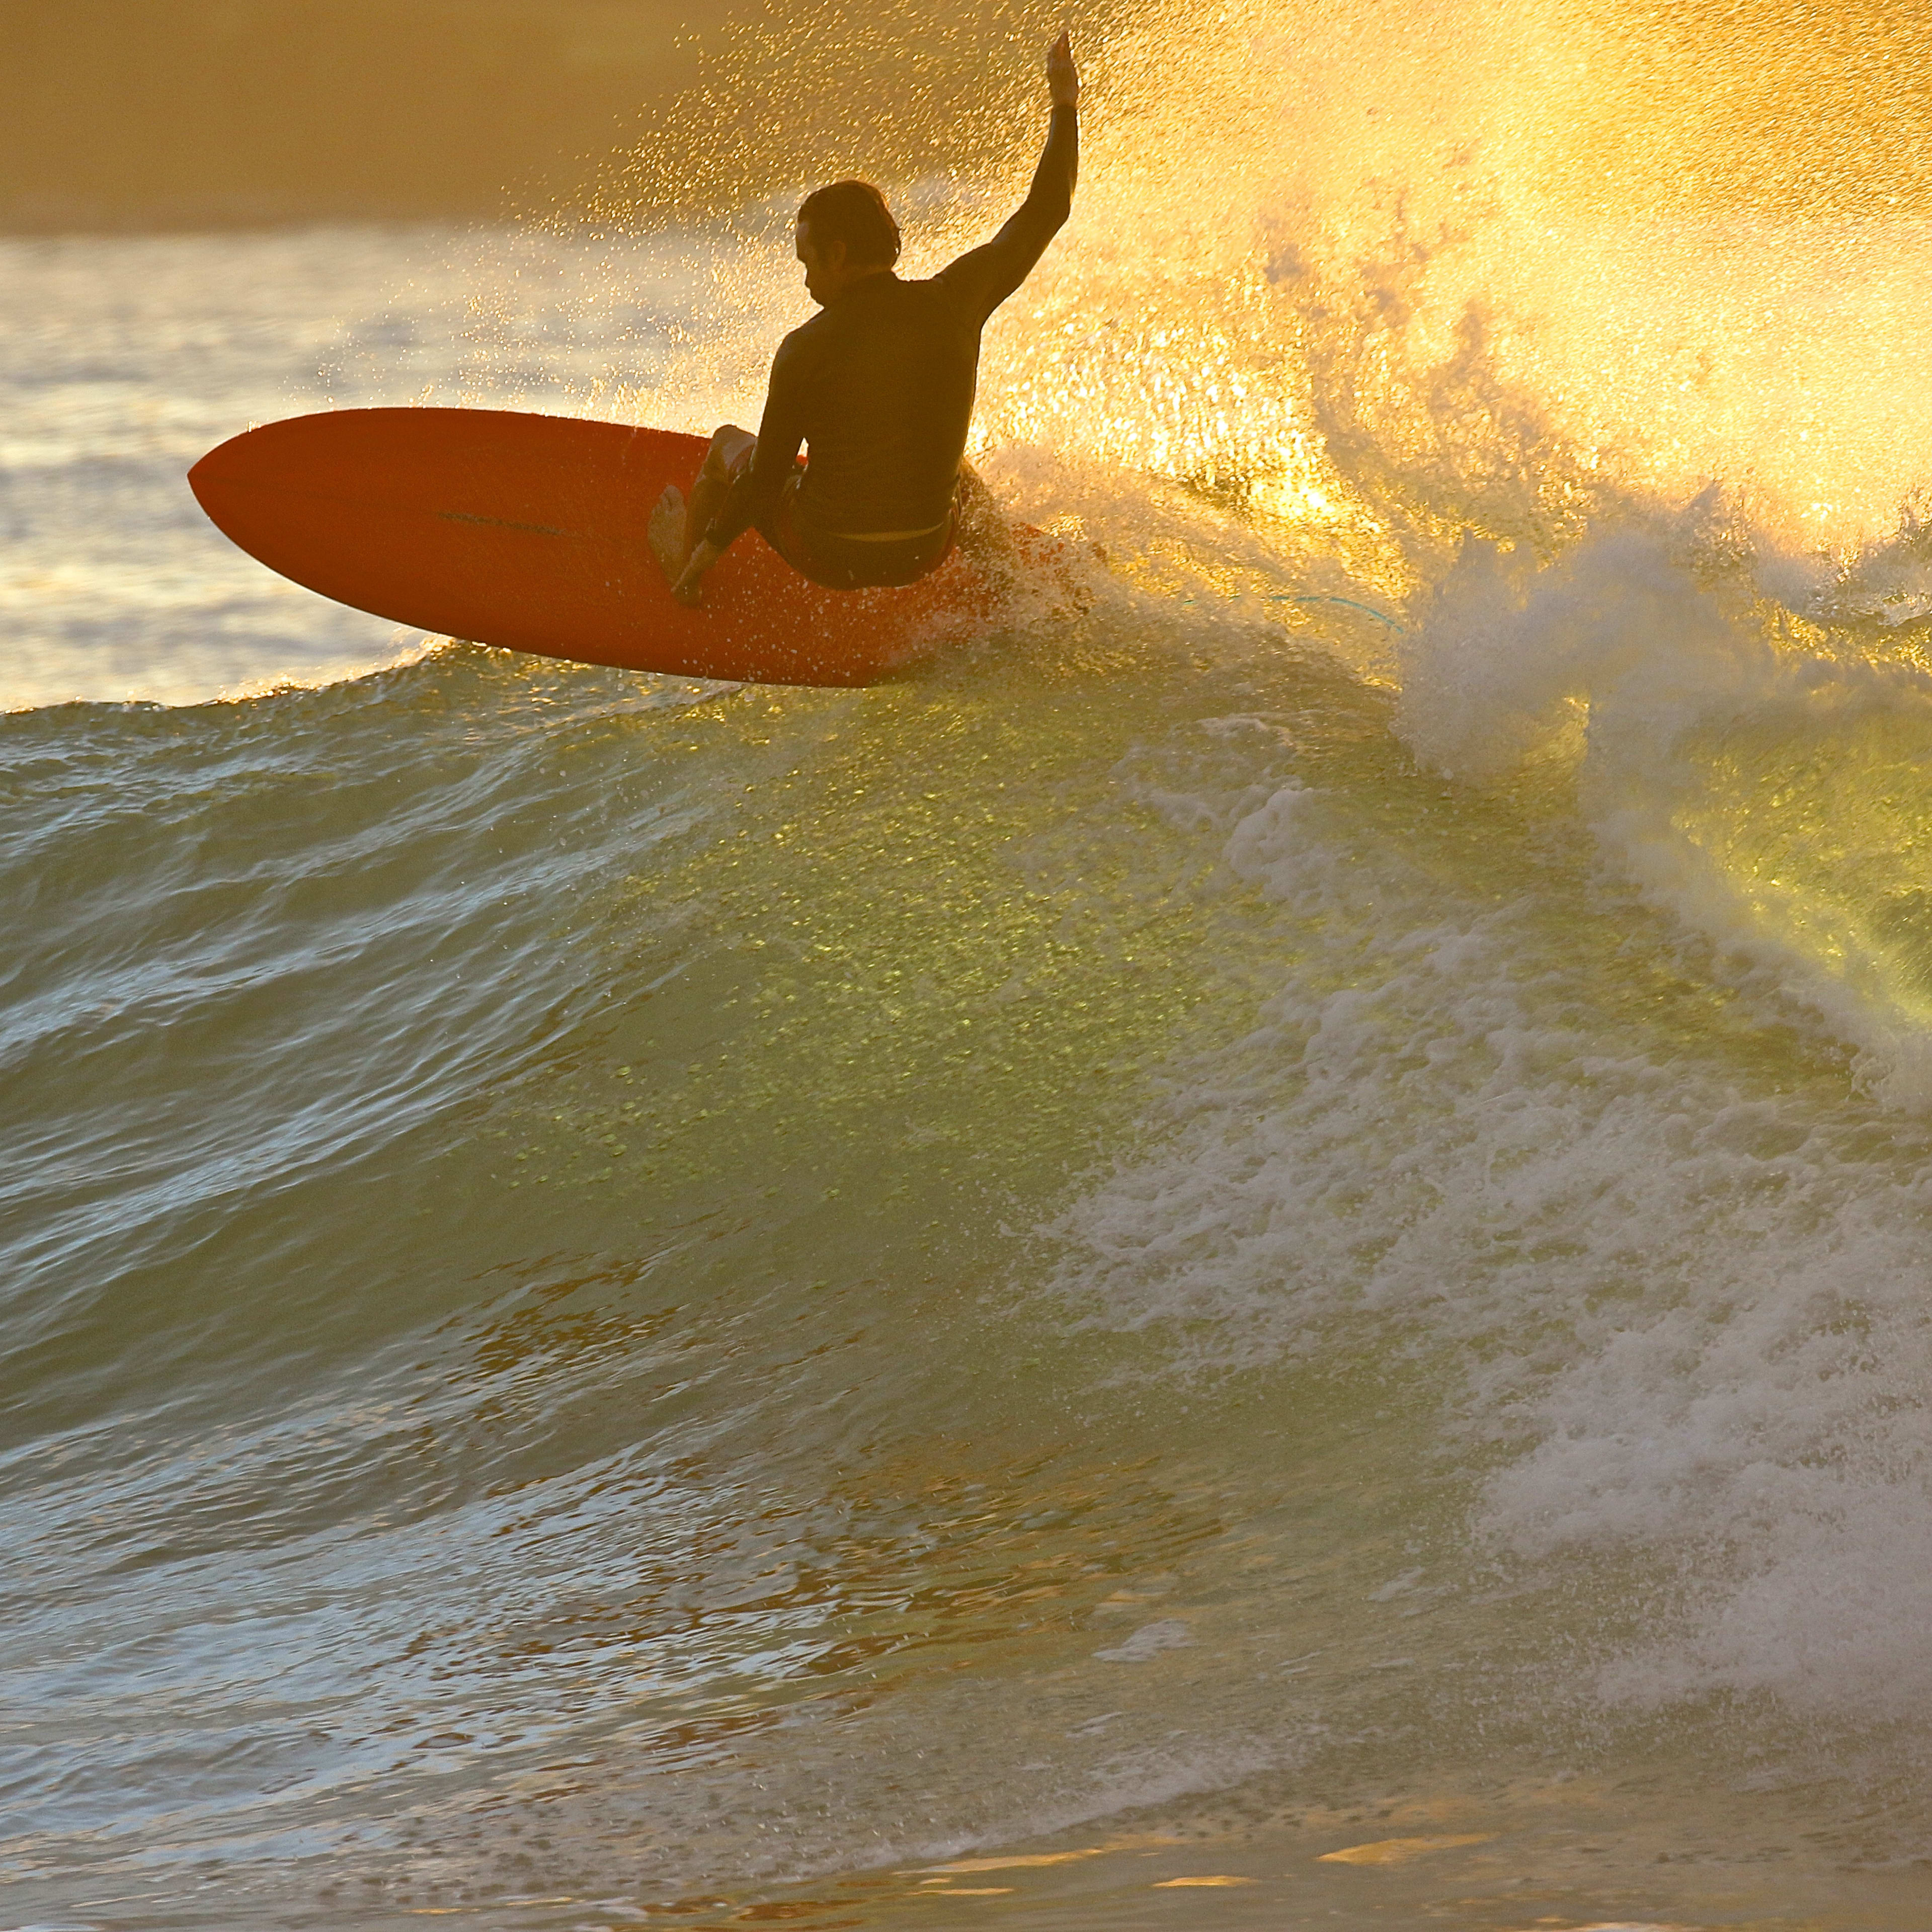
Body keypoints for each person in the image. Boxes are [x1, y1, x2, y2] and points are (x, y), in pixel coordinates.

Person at [651, 32, 1080, 607]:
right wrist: (1064, 105)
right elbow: (1047, 209)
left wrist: (708, 550)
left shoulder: (805, 347)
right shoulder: (957, 300)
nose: (807, 281)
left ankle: (683, 575)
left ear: (838, 254)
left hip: (828, 555)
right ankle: (1014, 594)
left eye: (808, 263)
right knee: (962, 477)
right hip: (925, 549)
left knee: (728, 443)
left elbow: (763, 481)